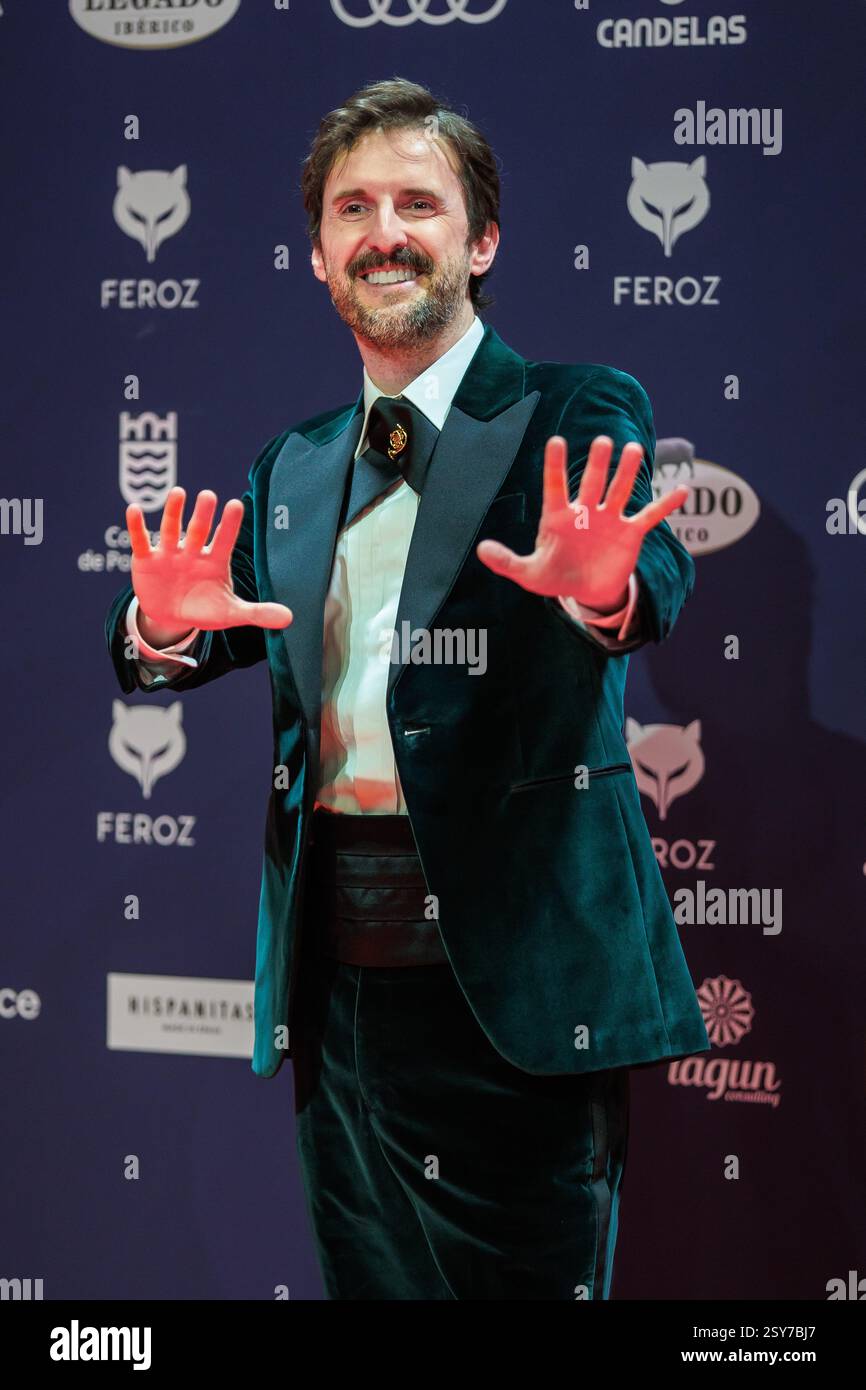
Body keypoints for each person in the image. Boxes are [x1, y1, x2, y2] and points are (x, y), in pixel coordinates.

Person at [105, 77, 710, 1301]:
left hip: (513, 993)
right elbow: (192, 628)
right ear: (319, 252)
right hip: (336, 993)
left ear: (479, 241)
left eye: (417, 203)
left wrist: (602, 592)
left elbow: (642, 570)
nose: (384, 231)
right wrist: (156, 629)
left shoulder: (568, 409)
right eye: (351, 207)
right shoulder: (296, 461)